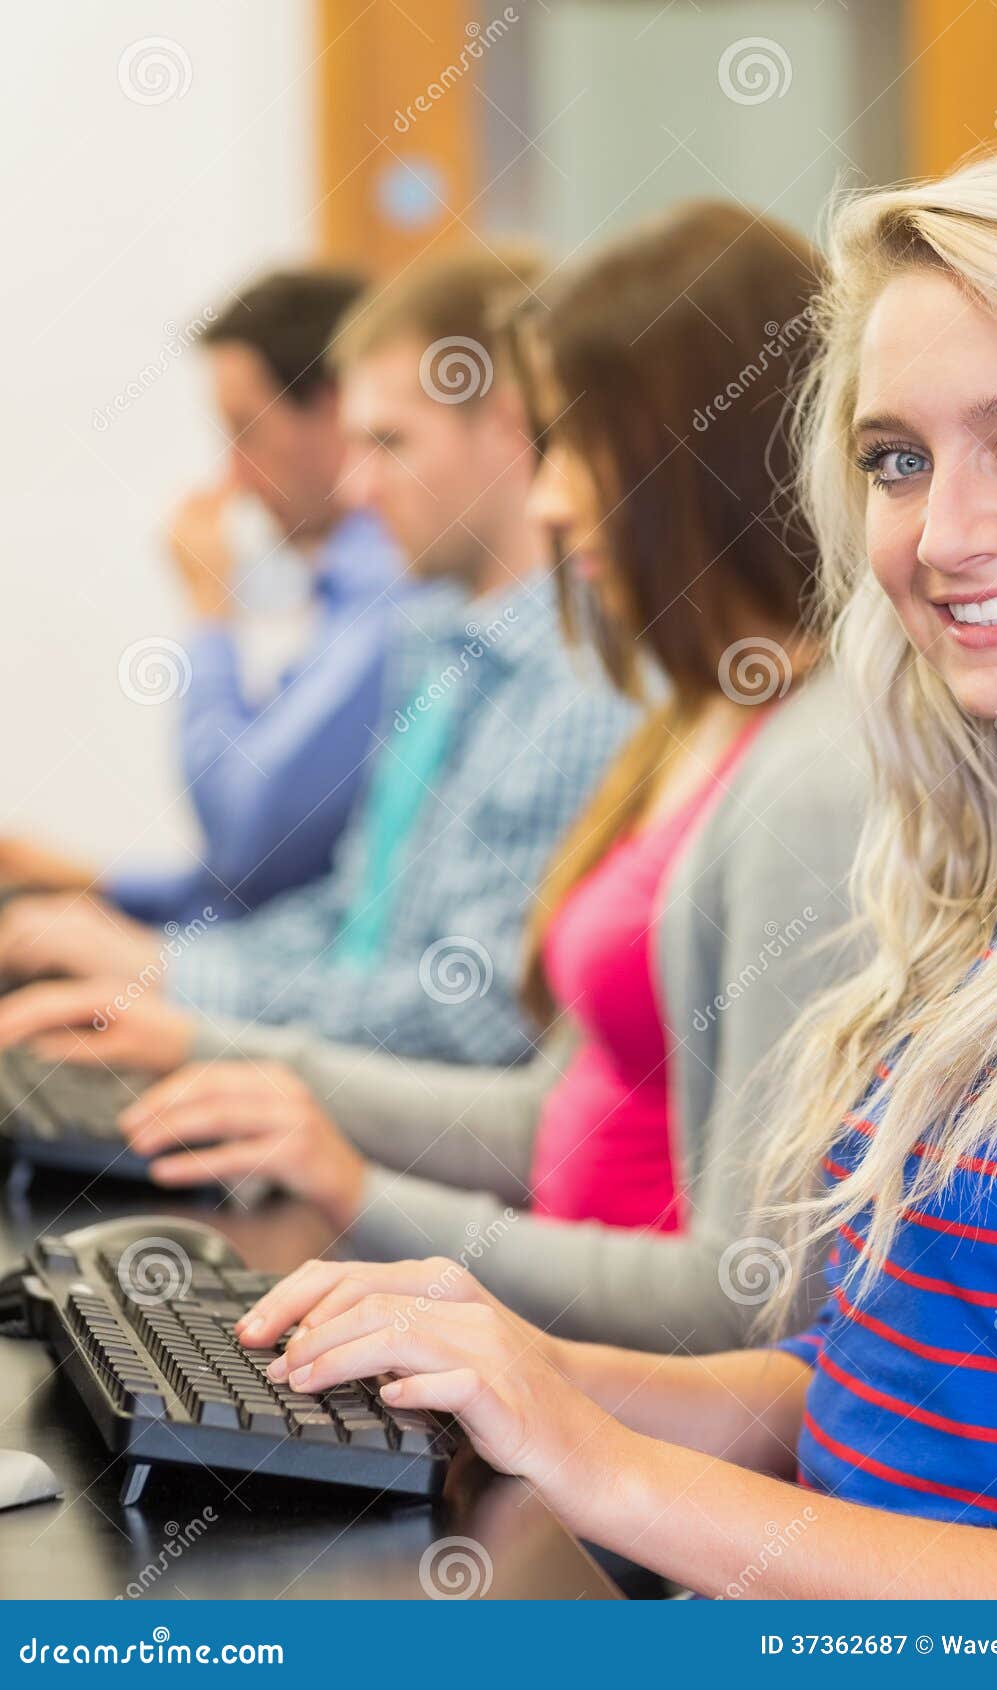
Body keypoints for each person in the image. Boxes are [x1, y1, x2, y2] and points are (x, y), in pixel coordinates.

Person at [221, 151, 997, 1598]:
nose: (938, 535)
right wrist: (527, 1366)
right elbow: (858, 1398)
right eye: (895, 460)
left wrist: (590, 1455)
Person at [0, 203, 868, 1354]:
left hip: (601, 1378)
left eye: (572, 442)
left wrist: (356, 1190)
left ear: (683, 453)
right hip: (557, 1341)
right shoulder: (693, 727)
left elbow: (742, 1297)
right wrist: (237, 1068)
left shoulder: (795, 766)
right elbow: (544, 1115)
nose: (553, 497)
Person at [0, 245, 635, 1063]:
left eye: (390, 443)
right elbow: (350, 916)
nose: (356, 489)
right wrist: (165, 971)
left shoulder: (580, 678)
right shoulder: (437, 639)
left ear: (507, 430)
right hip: (334, 1073)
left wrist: (169, 985)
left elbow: (475, 1016)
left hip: (393, 1123)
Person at [0, 269, 418, 924]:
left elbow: (248, 838)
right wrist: (103, 888)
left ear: (336, 409)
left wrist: (207, 609)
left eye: (245, 429)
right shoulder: (348, 589)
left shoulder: (395, 590)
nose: (232, 476)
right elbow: (271, 880)